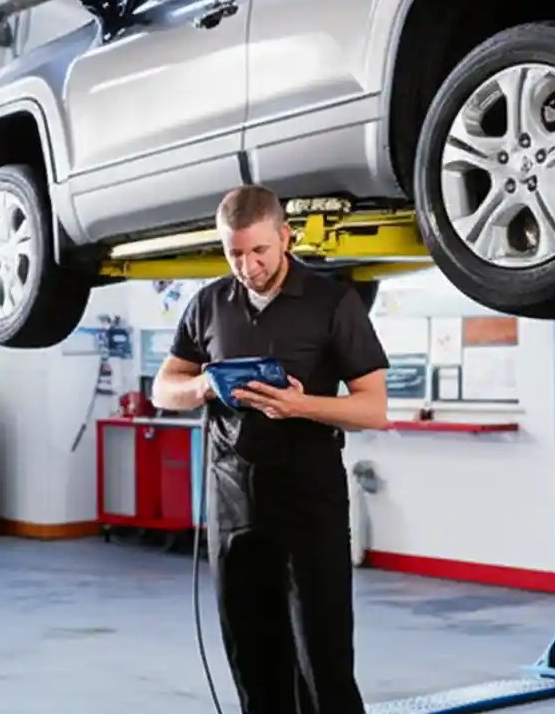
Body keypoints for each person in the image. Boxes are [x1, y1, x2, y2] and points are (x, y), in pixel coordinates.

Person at [151, 185, 391, 714]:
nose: (248, 265)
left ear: (284, 237)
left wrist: (300, 406)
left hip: (309, 503)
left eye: (259, 250)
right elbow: (163, 389)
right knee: (253, 662)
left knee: (323, 662)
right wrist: (204, 389)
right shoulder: (209, 304)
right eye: (235, 253)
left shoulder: (333, 302)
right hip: (233, 506)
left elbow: (373, 407)